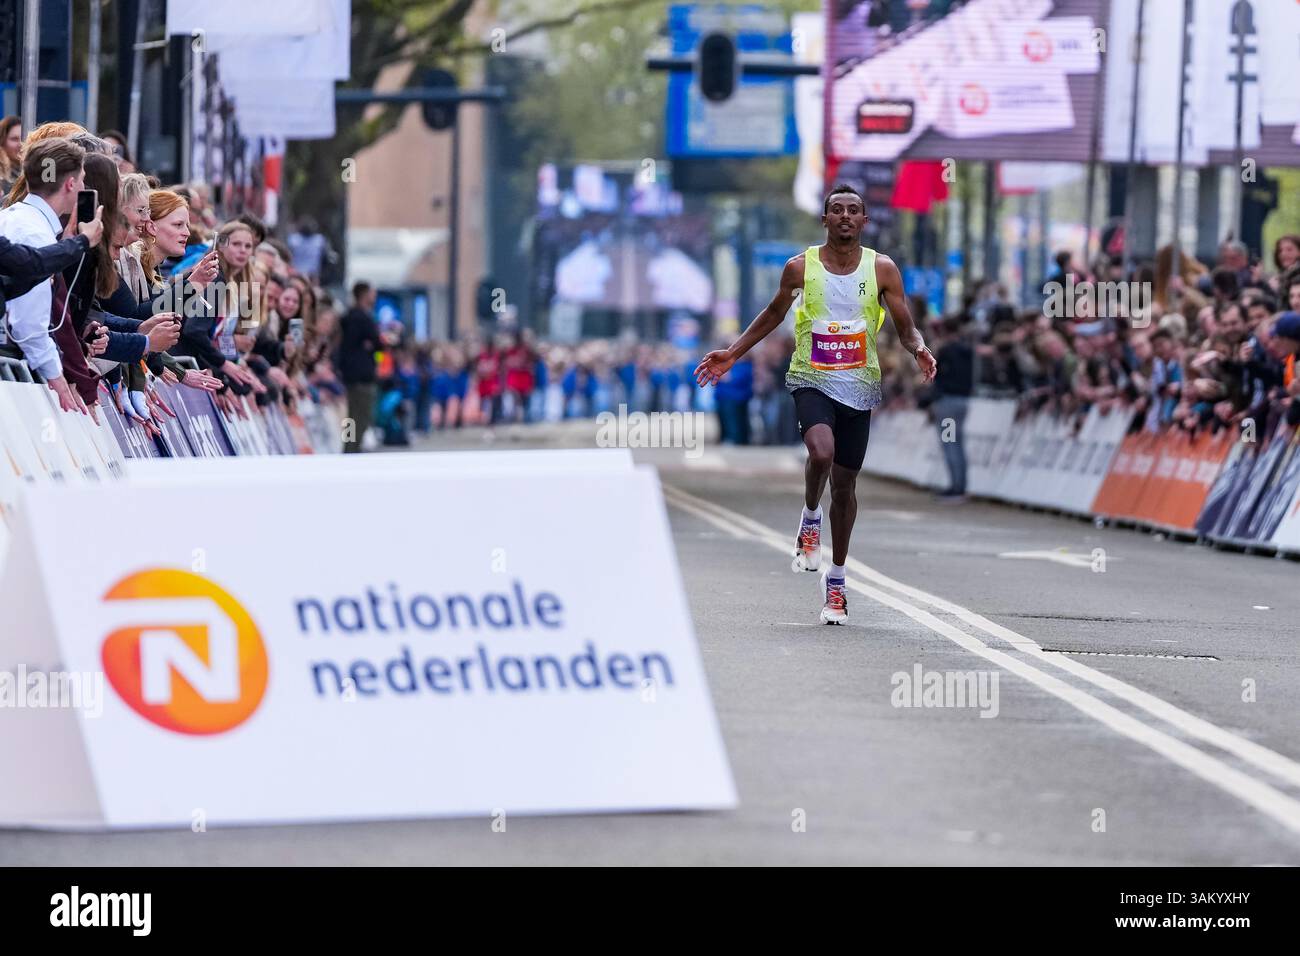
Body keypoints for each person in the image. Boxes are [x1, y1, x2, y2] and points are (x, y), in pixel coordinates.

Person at [694, 183, 936, 624]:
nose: (845, 216)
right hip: (811, 376)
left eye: (853, 211)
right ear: (824, 220)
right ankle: (809, 519)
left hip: (859, 382)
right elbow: (772, 314)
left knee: (845, 489)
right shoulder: (799, 267)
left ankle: (837, 581)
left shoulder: (882, 269)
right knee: (820, 452)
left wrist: (918, 348)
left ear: (864, 221)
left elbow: (905, 325)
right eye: (836, 210)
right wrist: (733, 352)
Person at [0, 137, 93, 414]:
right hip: (13, 376)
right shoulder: (35, 233)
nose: (85, 188)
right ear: (70, 184)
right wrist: (57, 377)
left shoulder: (13, 216)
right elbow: (28, 323)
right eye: (83, 180)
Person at [338, 280, 381, 453]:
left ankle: (349, 447)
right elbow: (377, 342)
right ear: (364, 295)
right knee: (360, 415)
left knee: (351, 416)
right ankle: (351, 448)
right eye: (372, 293)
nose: (375, 296)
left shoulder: (349, 316)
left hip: (351, 374)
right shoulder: (362, 317)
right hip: (361, 375)